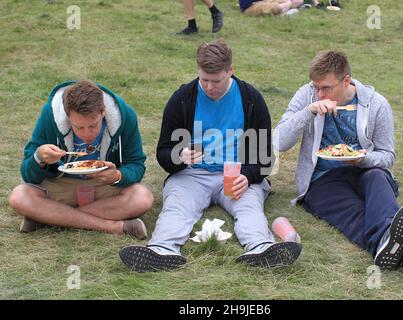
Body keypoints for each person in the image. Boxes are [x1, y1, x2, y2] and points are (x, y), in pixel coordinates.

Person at [119, 39, 301, 272]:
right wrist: (180, 156)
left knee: (249, 209)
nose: (209, 87)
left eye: (216, 81)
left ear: (230, 71)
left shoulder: (250, 99)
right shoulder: (183, 98)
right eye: (204, 79)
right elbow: (163, 152)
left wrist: (247, 174)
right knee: (177, 207)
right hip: (192, 174)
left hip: (236, 172)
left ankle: (261, 247)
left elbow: (265, 157)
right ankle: (161, 250)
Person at [274, 50, 403, 269]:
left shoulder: (377, 104)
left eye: (326, 88)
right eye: (317, 87)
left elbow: (387, 155)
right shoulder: (307, 96)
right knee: (352, 214)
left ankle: (390, 245)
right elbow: (279, 142)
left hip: (366, 170)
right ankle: (399, 246)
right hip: (323, 179)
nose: (320, 93)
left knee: (378, 179)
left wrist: (364, 159)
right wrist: (309, 111)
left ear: (346, 80)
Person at [8, 80, 153, 240]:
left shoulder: (125, 116)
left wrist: (118, 176)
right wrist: (39, 158)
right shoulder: (51, 115)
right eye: (79, 127)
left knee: (143, 197)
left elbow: (137, 164)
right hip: (61, 185)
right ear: (67, 116)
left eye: (93, 126)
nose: (87, 134)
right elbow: (28, 176)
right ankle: (115, 227)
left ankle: (48, 217)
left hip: (104, 186)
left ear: (103, 111)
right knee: (19, 196)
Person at [239, 0, 304, 16]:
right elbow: (245, 4)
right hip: (250, 6)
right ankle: (285, 12)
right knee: (277, 7)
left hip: (265, 1)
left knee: (299, 1)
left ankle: (287, 9)